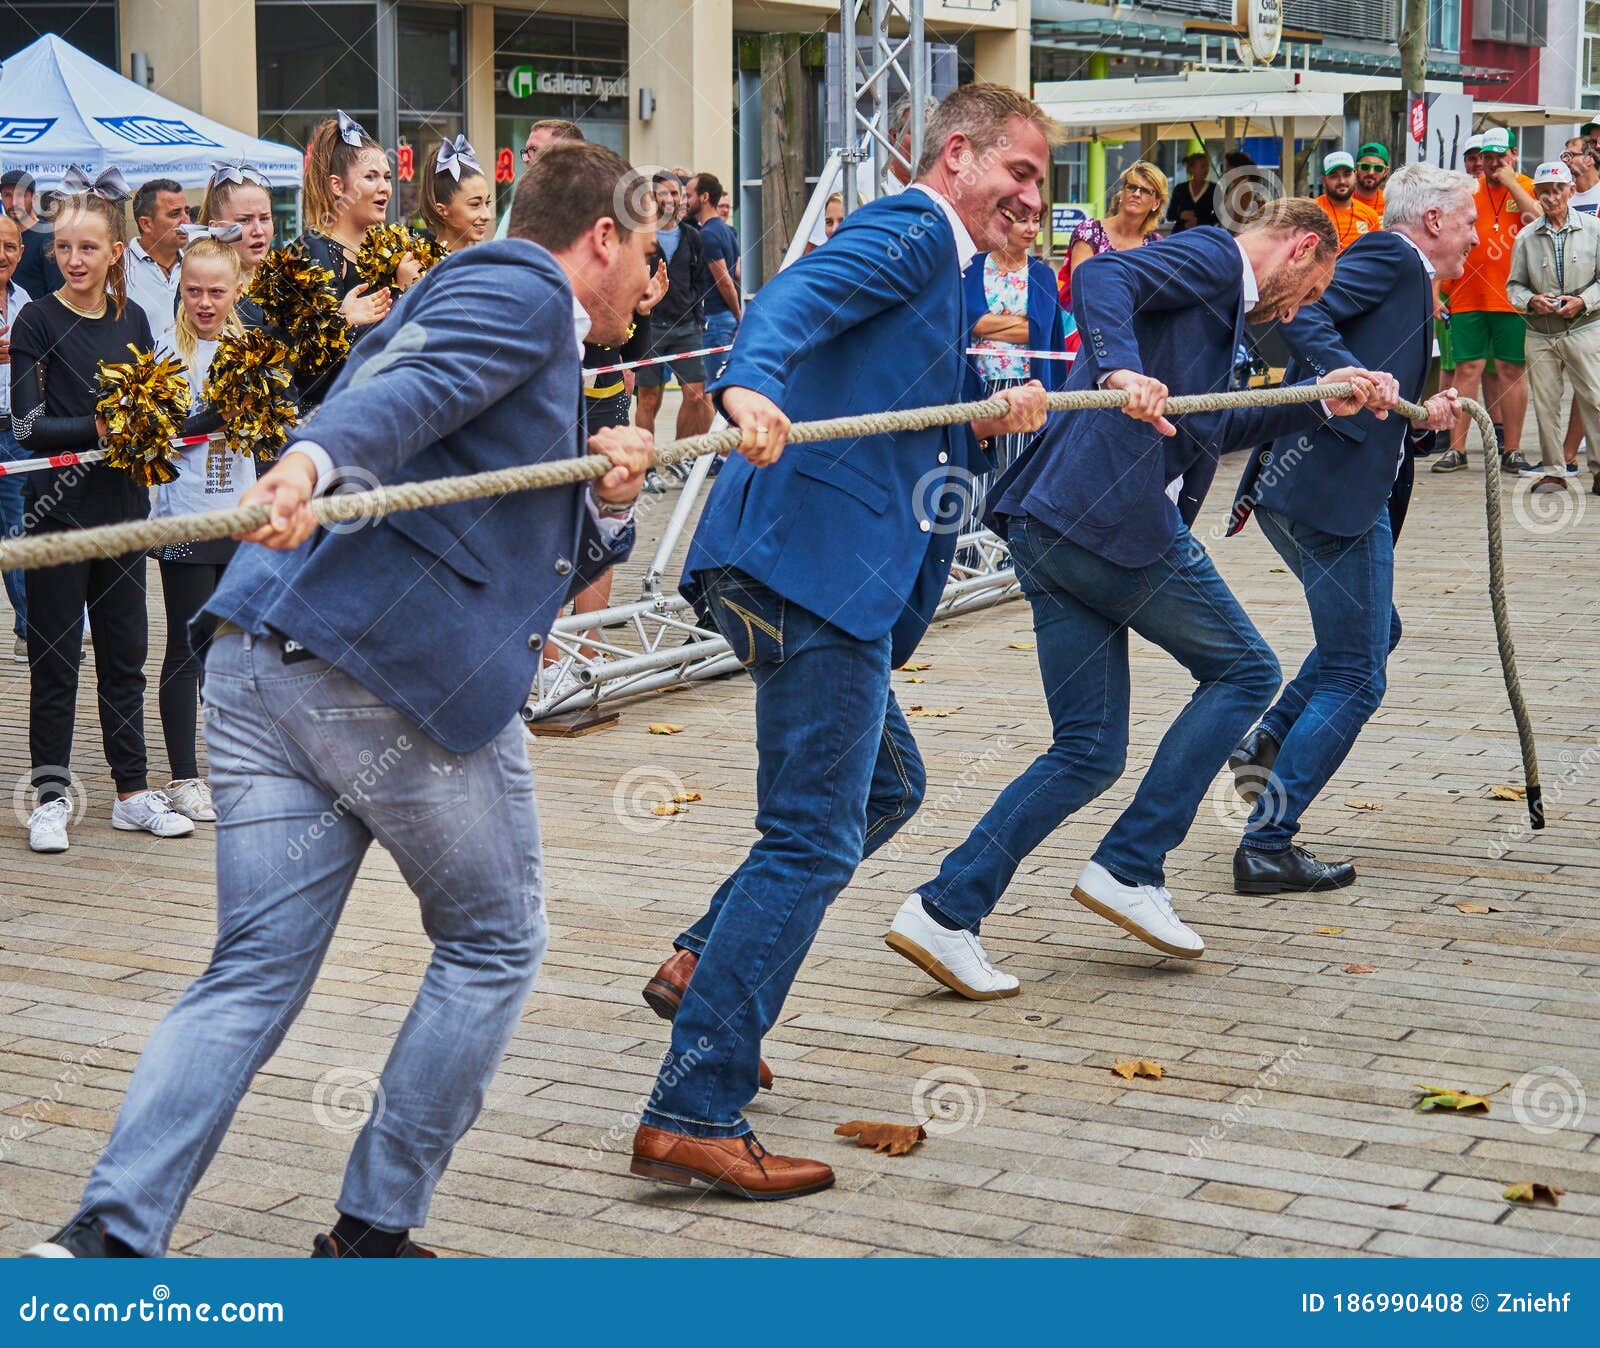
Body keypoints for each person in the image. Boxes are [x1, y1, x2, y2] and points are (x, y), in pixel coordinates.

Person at [24, 140, 657, 1261]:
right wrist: (309, 464)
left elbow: (480, 477)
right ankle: (372, 1233)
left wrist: (607, 498)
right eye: (647, 252)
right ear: (601, 236)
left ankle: (104, 1243)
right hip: (387, 676)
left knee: (251, 970)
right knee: (495, 941)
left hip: (261, 659)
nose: (652, 282)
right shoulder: (521, 289)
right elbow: (403, 399)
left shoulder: (470, 299)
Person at [631, 84, 1055, 1197]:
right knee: (812, 839)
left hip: (820, 576)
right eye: (1018, 173)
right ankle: (693, 1108)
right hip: (809, 569)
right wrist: (746, 390)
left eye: (1040, 183)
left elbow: (918, 425)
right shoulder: (914, 227)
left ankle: (703, 964)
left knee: (885, 788)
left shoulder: (950, 267)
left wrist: (986, 415)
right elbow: (790, 301)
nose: (1031, 198)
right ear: (957, 154)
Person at [885, 199, 1393, 993]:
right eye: (1312, 289)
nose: (1300, 311)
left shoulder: (1222, 305)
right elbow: (1101, 279)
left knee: (1087, 750)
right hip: (1106, 520)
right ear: (1300, 247)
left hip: (1052, 523)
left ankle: (944, 912)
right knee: (1247, 672)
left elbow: (1205, 428)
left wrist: (1320, 399)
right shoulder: (1216, 259)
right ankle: (1131, 864)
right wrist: (1120, 369)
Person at [1226, 164, 1474, 892]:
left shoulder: (1409, 275)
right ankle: (1267, 841)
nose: (1476, 235)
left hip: (1316, 491)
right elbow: (1302, 314)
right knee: (1357, 675)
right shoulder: (1391, 254)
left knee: (1371, 636)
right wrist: (1346, 373)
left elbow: (1378, 396)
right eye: (1467, 221)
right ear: (1433, 220)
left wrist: (1421, 420)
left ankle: (1269, 738)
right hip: (1326, 496)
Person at [10, 180, 196, 854]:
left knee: (125, 657)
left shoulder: (134, 319)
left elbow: (156, 408)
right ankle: (51, 799)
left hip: (124, 513)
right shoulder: (36, 320)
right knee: (55, 661)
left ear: (116, 251)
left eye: (88, 247)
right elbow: (27, 426)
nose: (74, 259)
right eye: (63, 247)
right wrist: (103, 424)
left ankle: (131, 793)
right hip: (58, 518)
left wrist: (158, 423)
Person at [149, 235, 286, 824]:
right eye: (194, 291)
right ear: (180, 290)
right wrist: (218, 410)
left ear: (236, 291)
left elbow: (278, 422)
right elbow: (159, 426)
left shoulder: (253, 348)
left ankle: (235, 767)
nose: (205, 302)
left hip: (240, 512)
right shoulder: (162, 348)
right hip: (184, 514)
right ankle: (184, 776)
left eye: (216, 292)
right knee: (187, 645)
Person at [1431, 126, 1538, 475]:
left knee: (1511, 369)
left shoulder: (1526, 187)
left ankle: (1513, 449)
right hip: (1467, 294)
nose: (1492, 163)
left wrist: (1510, 182)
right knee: (1466, 369)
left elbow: (1539, 220)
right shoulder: (1469, 191)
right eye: (1487, 157)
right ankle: (1456, 448)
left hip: (1513, 296)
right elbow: (1446, 241)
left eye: (1499, 156)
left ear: (1513, 155)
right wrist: (1435, 289)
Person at [295, 111, 414, 408]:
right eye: (370, 177)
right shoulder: (311, 253)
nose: (384, 187)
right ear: (338, 186)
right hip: (333, 417)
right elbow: (307, 373)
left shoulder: (390, 249)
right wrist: (344, 321)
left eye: (387, 177)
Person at [1506, 160, 1600, 497]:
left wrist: (1583, 300)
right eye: (1544, 191)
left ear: (1571, 190)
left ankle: (1599, 470)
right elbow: (1514, 286)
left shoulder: (1593, 229)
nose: (1551, 196)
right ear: (1536, 194)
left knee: (1595, 399)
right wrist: (1532, 300)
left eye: (1558, 189)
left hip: (1585, 326)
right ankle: (1555, 472)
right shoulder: (1526, 236)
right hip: (1541, 331)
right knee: (1545, 404)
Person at [633, 172, 712, 440]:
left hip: (686, 326)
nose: (670, 199)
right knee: (648, 397)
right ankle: (647, 459)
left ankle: (677, 456)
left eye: (675, 193)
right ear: (653, 196)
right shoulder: (641, 236)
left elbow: (699, 281)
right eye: (663, 192)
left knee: (696, 394)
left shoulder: (693, 237)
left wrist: (699, 319)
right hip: (650, 326)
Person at [1057, 161, 1165, 352]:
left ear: (1156, 203)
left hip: (1134, 331)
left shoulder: (1155, 244)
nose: (1136, 193)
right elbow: (1081, 286)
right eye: (1131, 187)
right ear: (1122, 193)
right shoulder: (1089, 231)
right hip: (1085, 329)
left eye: (1145, 191)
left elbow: (1153, 295)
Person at [805, 94, 936, 248]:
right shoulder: (851, 179)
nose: (922, 141)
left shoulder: (943, 188)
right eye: (913, 132)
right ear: (893, 136)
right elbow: (814, 250)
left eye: (930, 134)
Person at [0, 213, 31, 662]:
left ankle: (33, 631)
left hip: (16, 432)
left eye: (9, 246)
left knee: (20, 535)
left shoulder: (26, 302)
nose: (2, 255)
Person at [492, 118, 584, 240]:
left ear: (566, 155)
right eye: (526, 151)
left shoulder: (592, 205)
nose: (525, 159)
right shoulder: (523, 204)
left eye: (534, 150)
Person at [687, 171, 740, 378]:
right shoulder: (726, 230)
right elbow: (736, 273)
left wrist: (739, 316)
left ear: (704, 197)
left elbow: (725, 282)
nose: (686, 201)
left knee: (717, 384)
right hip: (723, 319)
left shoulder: (707, 235)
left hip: (716, 320)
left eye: (689, 195)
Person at [124, 177, 189, 337]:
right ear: (146, 224)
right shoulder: (116, 269)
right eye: (175, 214)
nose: (186, 221)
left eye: (186, 211)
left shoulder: (197, 266)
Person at [200, 159, 275, 283]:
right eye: (245, 220)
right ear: (216, 229)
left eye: (264, 218)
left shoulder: (282, 282)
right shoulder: (199, 283)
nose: (259, 231)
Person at [416, 135, 493, 252]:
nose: (487, 216)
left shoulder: (486, 259)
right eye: (475, 204)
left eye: (487, 203)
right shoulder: (422, 263)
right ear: (442, 210)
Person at [3, 169, 62, 298]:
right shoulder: (3, 237)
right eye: (7, 195)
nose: (14, 202)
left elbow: (58, 291)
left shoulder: (49, 237)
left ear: (34, 198)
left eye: (20, 195)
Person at [1315, 152, 1382, 252]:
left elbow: (1377, 252)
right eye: (1334, 176)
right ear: (1324, 180)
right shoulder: (1312, 212)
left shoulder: (1369, 215)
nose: (1342, 181)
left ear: (1355, 175)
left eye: (1347, 175)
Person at [1166, 151, 1217, 231]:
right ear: (1191, 169)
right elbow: (1169, 215)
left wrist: (1198, 221)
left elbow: (1219, 216)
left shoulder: (1214, 188)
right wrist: (1181, 215)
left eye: (1207, 166)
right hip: (1181, 233)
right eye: (1203, 166)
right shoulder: (1180, 189)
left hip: (1204, 233)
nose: (1206, 169)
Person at [1563, 137, 1600, 214]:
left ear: (1589, 158)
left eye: (1571, 155)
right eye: (1564, 156)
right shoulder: (1563, 196)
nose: (1565, 160)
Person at [1354, 142, 1390, 217]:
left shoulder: (1390, 204)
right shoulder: (1343, 200)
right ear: (1356, 168)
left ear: (1385, 172)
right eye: (1365, 167)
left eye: (1378, 168)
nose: (1371, 172)